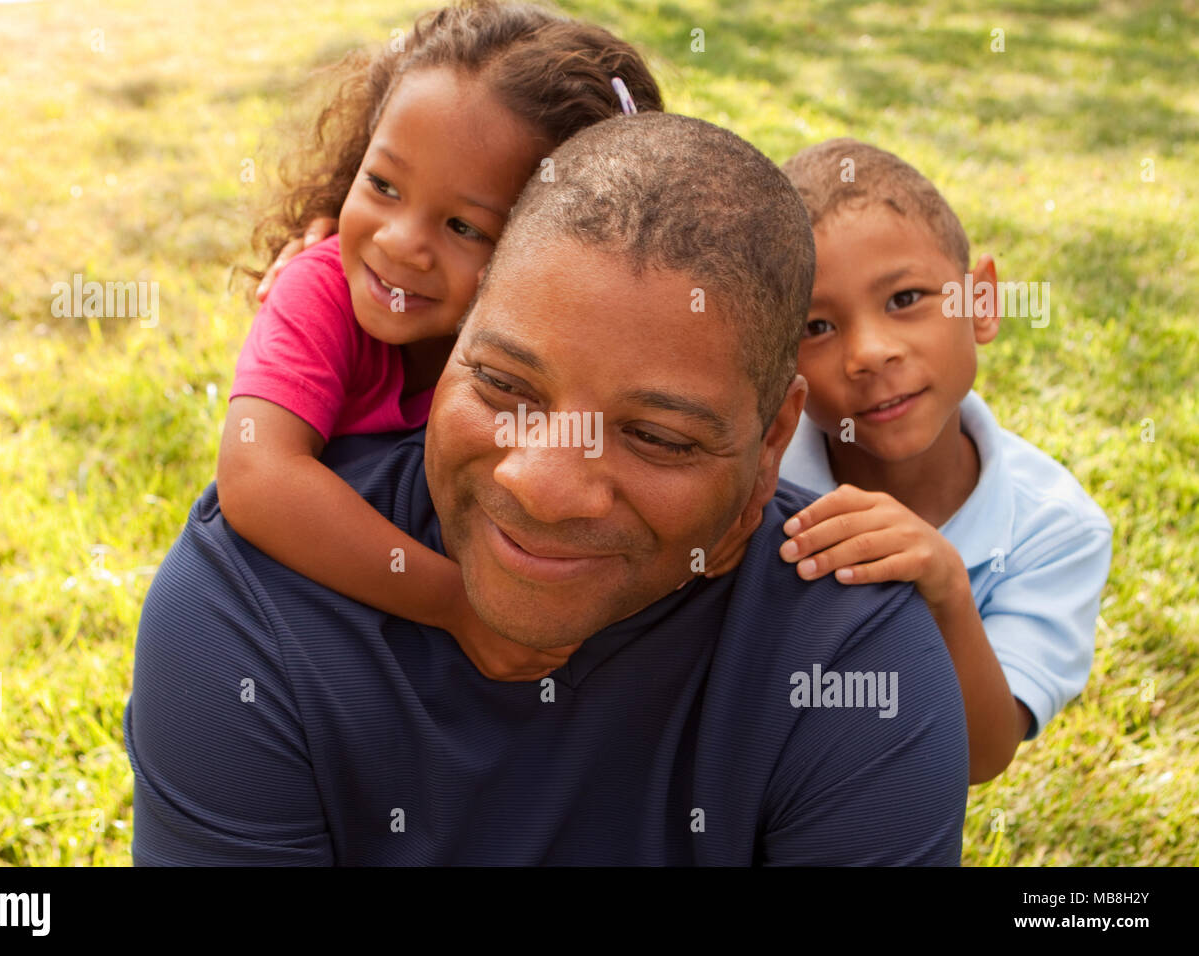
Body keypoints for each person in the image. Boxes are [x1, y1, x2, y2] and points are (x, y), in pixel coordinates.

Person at [125, 112, 968, 865]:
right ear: (456, 337)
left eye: (656, 436)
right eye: (501, 383)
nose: (542, 485)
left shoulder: (853, 665)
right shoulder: (245, 616)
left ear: (773, 437)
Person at [220, 0, 663, 680]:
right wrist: (455, 603)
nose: (400, 244)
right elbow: (256, 478)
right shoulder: (318, 290)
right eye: (383, 185)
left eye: (463, 227)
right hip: (299, 656)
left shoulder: (570, 346)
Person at [775, 138, 1113, 782]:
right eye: (816, 327)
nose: (869, 353)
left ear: (981, 302)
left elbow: (981, 758)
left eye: (904, 300)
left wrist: (947, 587)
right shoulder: (750, 477)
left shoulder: (1056, 530)